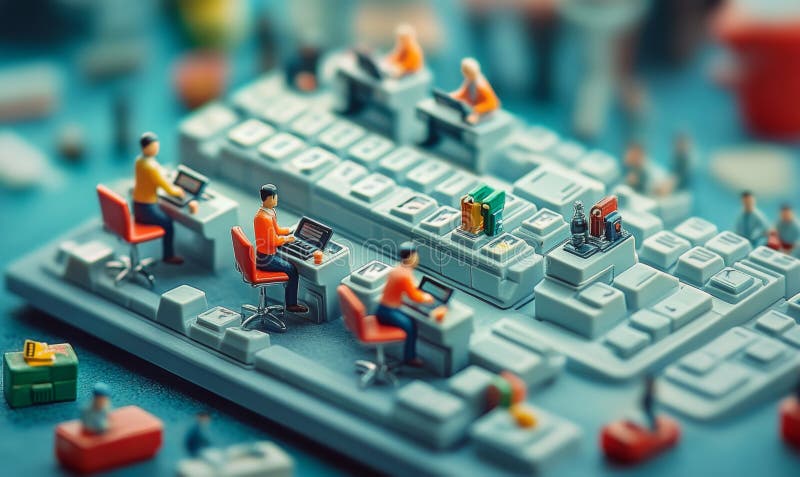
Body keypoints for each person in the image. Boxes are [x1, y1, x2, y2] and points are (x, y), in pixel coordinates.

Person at [375, 242, 444, 367]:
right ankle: (410, 358)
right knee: (411, 326)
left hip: (382, 307)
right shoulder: (405, 275)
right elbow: (414, 296)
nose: (417, 258)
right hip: (388, 311)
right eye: (416, 255)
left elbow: (404, 288)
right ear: (411, 256)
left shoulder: (398, 268)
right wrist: (427, 297)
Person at [133, 132, 196, 264]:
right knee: (168, 224)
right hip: (146, 209)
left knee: (165, 212)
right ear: (145, 148)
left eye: (157, 146)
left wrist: (164, 175)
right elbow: (168, 189)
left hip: (137, 206)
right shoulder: (151, 167)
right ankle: (168, 256)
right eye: (153, 146)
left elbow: (156, 173)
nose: (156, 149)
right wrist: (178, 191)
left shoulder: (140, 161)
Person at [253, 184, 308, 314]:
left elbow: (276, 230)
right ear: (270, 198)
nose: (277, 198)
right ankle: (291, 304)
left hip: (270, 253)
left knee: (291, 261)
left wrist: (290, 230)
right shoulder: (263, 218)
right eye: (275, 196)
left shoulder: (270, 212)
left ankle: (290, 301)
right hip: (265, 259)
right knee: (292, 270)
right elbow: (273, 241)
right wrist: (288, 239)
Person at [450, 57, 500, 125]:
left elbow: (493, 103)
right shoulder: (469, 81)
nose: (462, 72)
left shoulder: (481, 85)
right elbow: (463, 93)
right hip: (475, 108)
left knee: (469, 121)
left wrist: (476, 110)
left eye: (464, 71)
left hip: (487, 111)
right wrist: (451, 96)